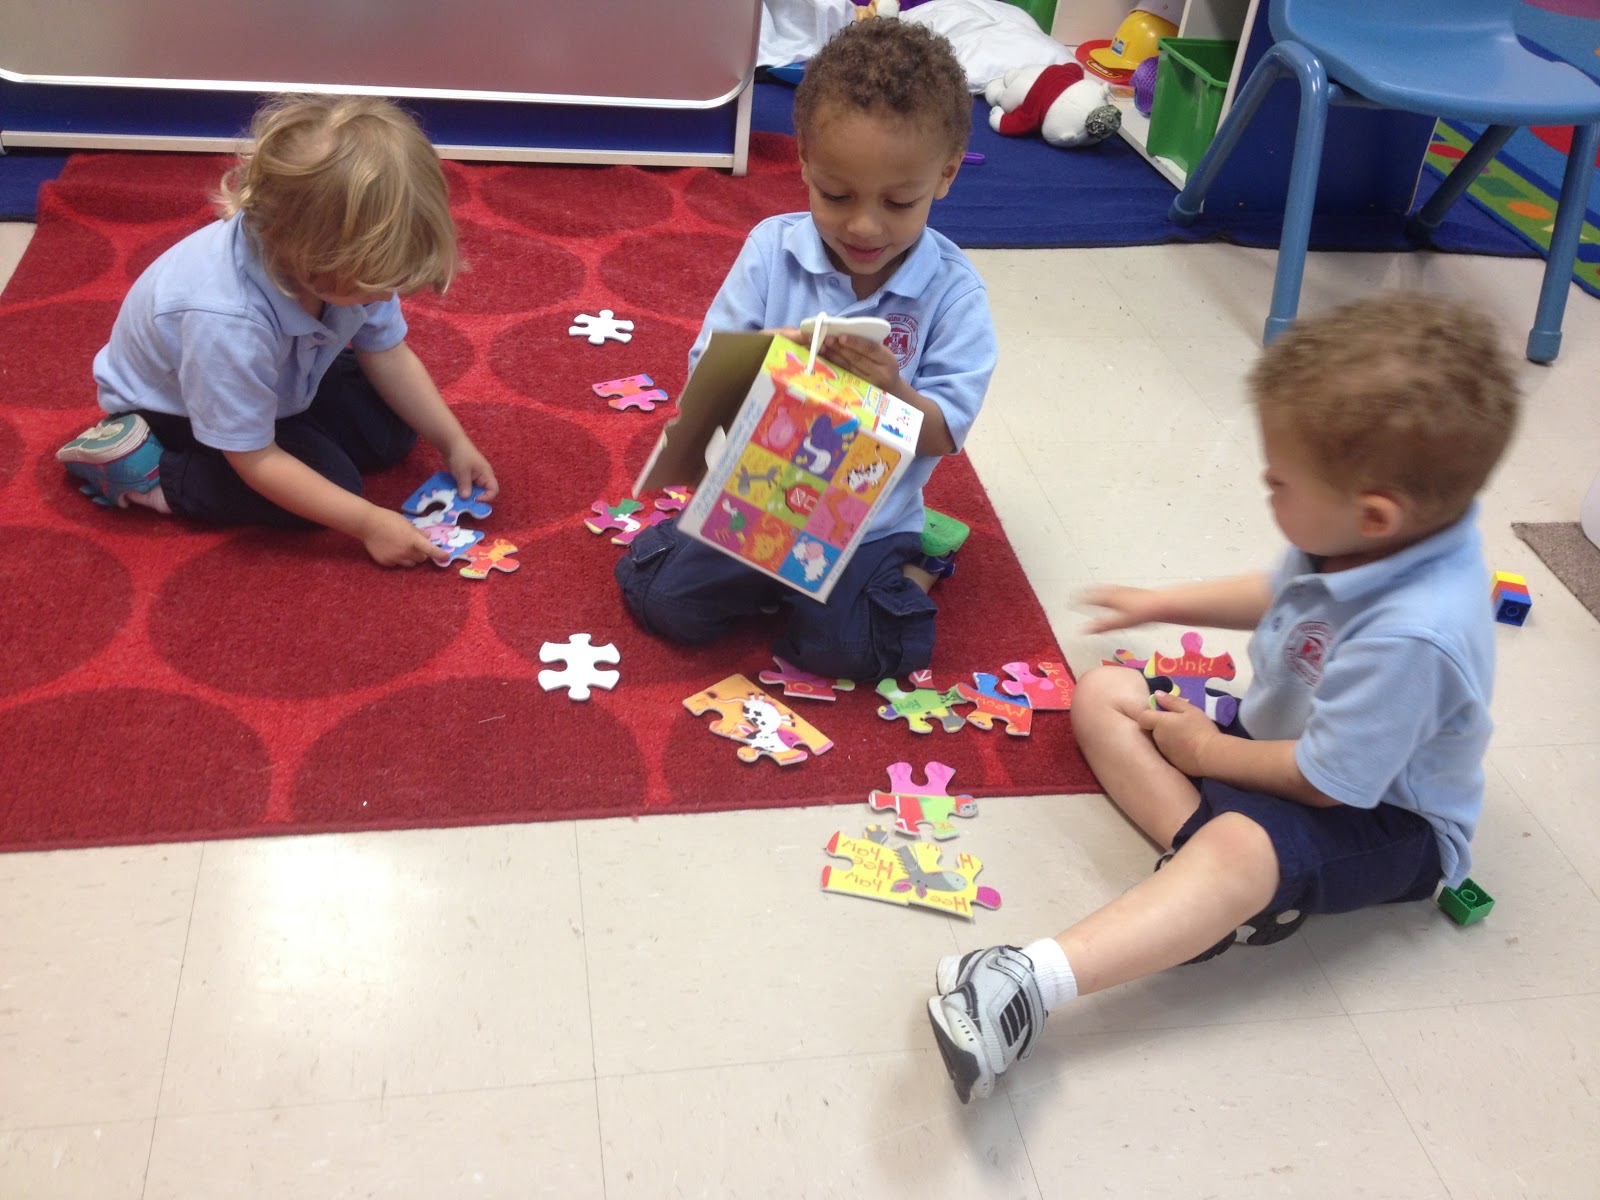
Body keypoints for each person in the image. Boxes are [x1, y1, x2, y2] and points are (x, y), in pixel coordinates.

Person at [927, 291, 1521, 1104]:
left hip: (1384, 819)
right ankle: (1218, 890)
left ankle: (1028, 983)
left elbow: (1326, 781)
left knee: (1240, 847)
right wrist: (1162, 604)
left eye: (1280, 482)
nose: (1265, 490)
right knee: (1104, 693)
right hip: (1271, 744)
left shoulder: (1414, 634)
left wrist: (1206, 753)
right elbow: (1277, 593)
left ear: (1375, 513)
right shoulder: (1361, 535)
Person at [615, 18, 997, 681]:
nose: (865, 225)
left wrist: (895, 394)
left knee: (850, 653)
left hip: (869, 526)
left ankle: (917, 565)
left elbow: (943, 432)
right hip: (762, 499)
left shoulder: (954, 294)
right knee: (661, 600)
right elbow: (709, 368)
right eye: (835, 193)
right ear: (802, 163)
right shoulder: (772, 249)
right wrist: (781, 360)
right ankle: (778, 582)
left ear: (946, 175)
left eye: (899, 200)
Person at [54, 94, 496, 568]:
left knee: (390, 432)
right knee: (330, 490)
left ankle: (295, 431)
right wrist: (368, 522)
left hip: (276, 366)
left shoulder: (339, 268)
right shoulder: (226, 319)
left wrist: (453, 441)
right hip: (173, 405)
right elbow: (255, 460)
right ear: (311, 260)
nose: (388, 295)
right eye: (375, 285)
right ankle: (151, 475)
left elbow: (387, 353)